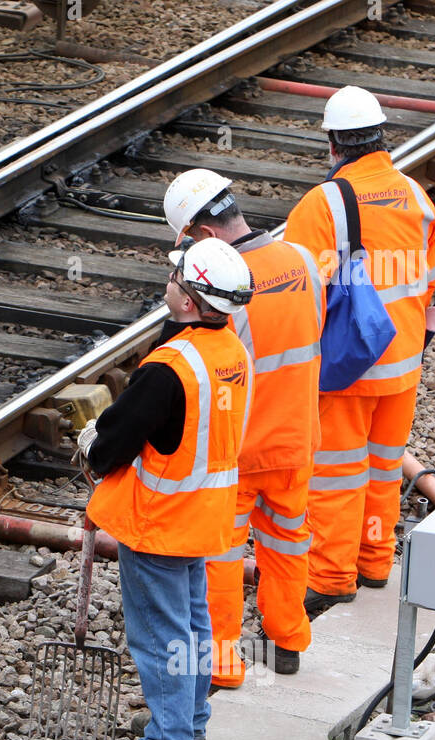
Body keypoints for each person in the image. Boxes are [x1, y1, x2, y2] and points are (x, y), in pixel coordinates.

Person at [80, 238, 253, 740]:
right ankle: (189, 721)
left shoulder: (169, 369)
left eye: (177, 276)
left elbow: (113, 446)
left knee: (160, 634)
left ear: (189, 299)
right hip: (205, 516)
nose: (170, 280)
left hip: (159, 521)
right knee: (193, 625)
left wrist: (92, 442)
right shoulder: (231, 351)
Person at [163, 169, 324, 684]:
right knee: (288, 540)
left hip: (238, 450)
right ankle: (288, 640)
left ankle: (223, 663)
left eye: (188, 244)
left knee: (223, 554)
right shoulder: (300, 258)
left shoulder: (223, 289)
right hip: (298, 437)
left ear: (206, 236)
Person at [284, 86, 435, 612]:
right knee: (383, 466)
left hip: (349, 367)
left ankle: (331, 578)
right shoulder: (416, 197)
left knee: (338, 475)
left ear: (333, 144)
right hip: (403, 364)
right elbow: (428, 281)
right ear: (380, 139)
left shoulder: (322, 204)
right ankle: (375, 563)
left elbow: (303, 295)